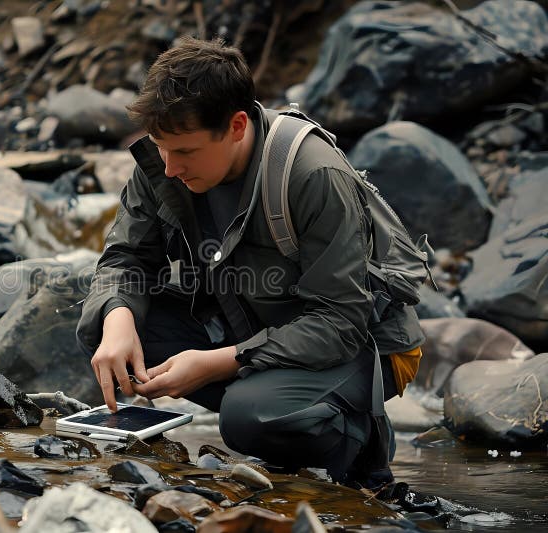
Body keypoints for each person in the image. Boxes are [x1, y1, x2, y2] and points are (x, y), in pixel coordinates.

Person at [76, 37, 423, 488]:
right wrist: (118, 318)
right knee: (105, 331)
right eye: (161, 147)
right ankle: (284, 413)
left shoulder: (313, 175)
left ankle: (358, 440)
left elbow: (342, 321)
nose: (170, 167)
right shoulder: (165, 160)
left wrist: (221, 361)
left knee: (248, 418)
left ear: (237, 126)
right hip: (255, 320)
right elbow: (125, 258)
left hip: (364, 346)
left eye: (185, 152)